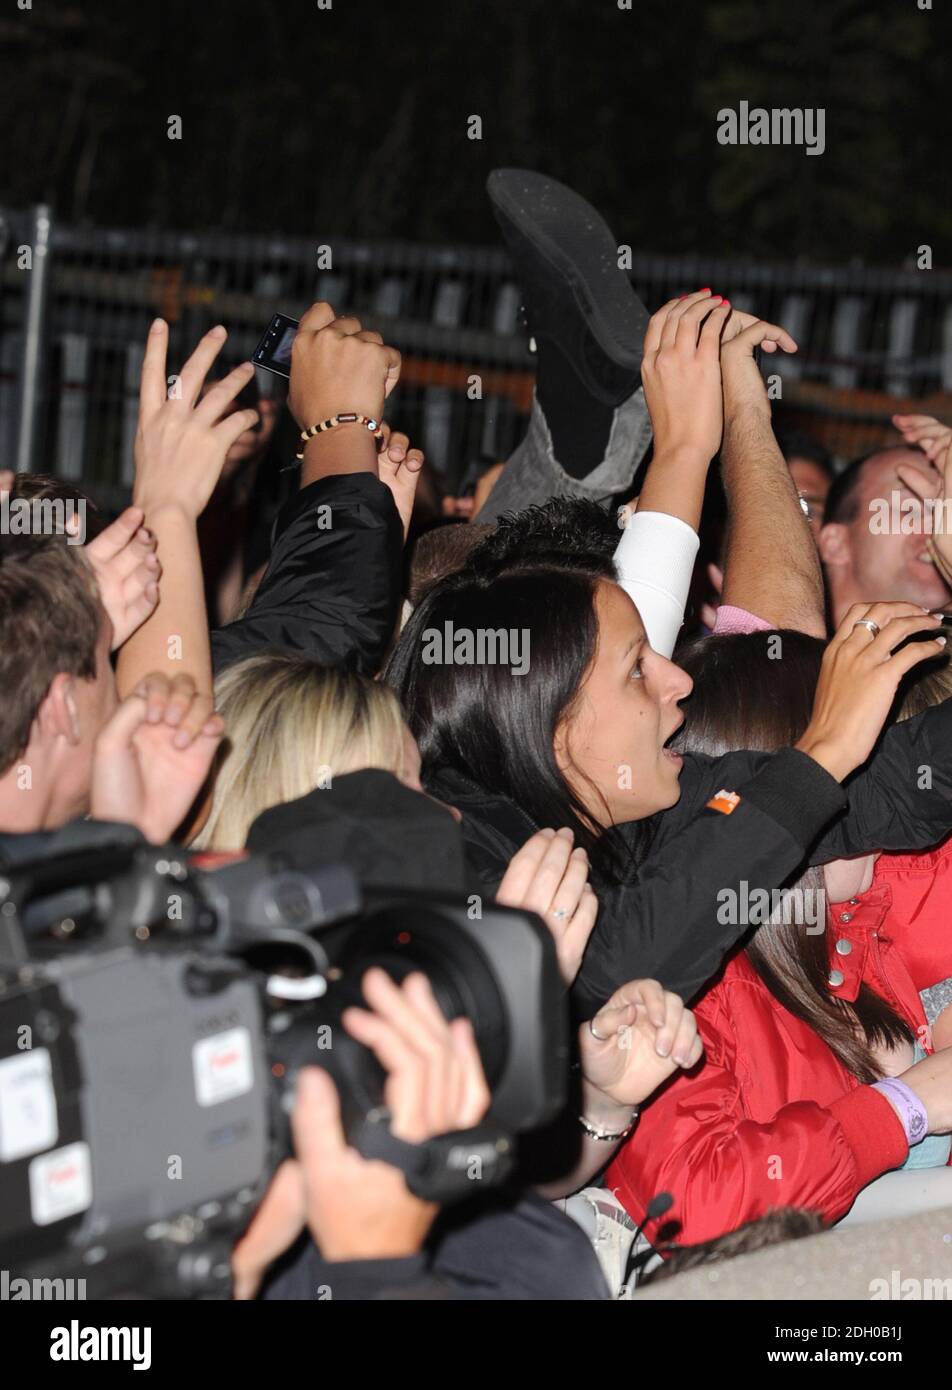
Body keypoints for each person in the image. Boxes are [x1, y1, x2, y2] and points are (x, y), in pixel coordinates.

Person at [387, 309, 952, 1021]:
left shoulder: (643, 802)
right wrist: (821, 754)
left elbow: (897, 786)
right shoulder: (440, 842)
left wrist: (727, 424)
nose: (678, 678)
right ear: (546, 715)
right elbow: (616, 965)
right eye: (637, 669)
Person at [604, 630, 952, 1250]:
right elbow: (688, 1207)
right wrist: (906, 1105)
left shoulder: (852, 910)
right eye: (860, 768)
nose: (884, 798)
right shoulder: (683, 995)